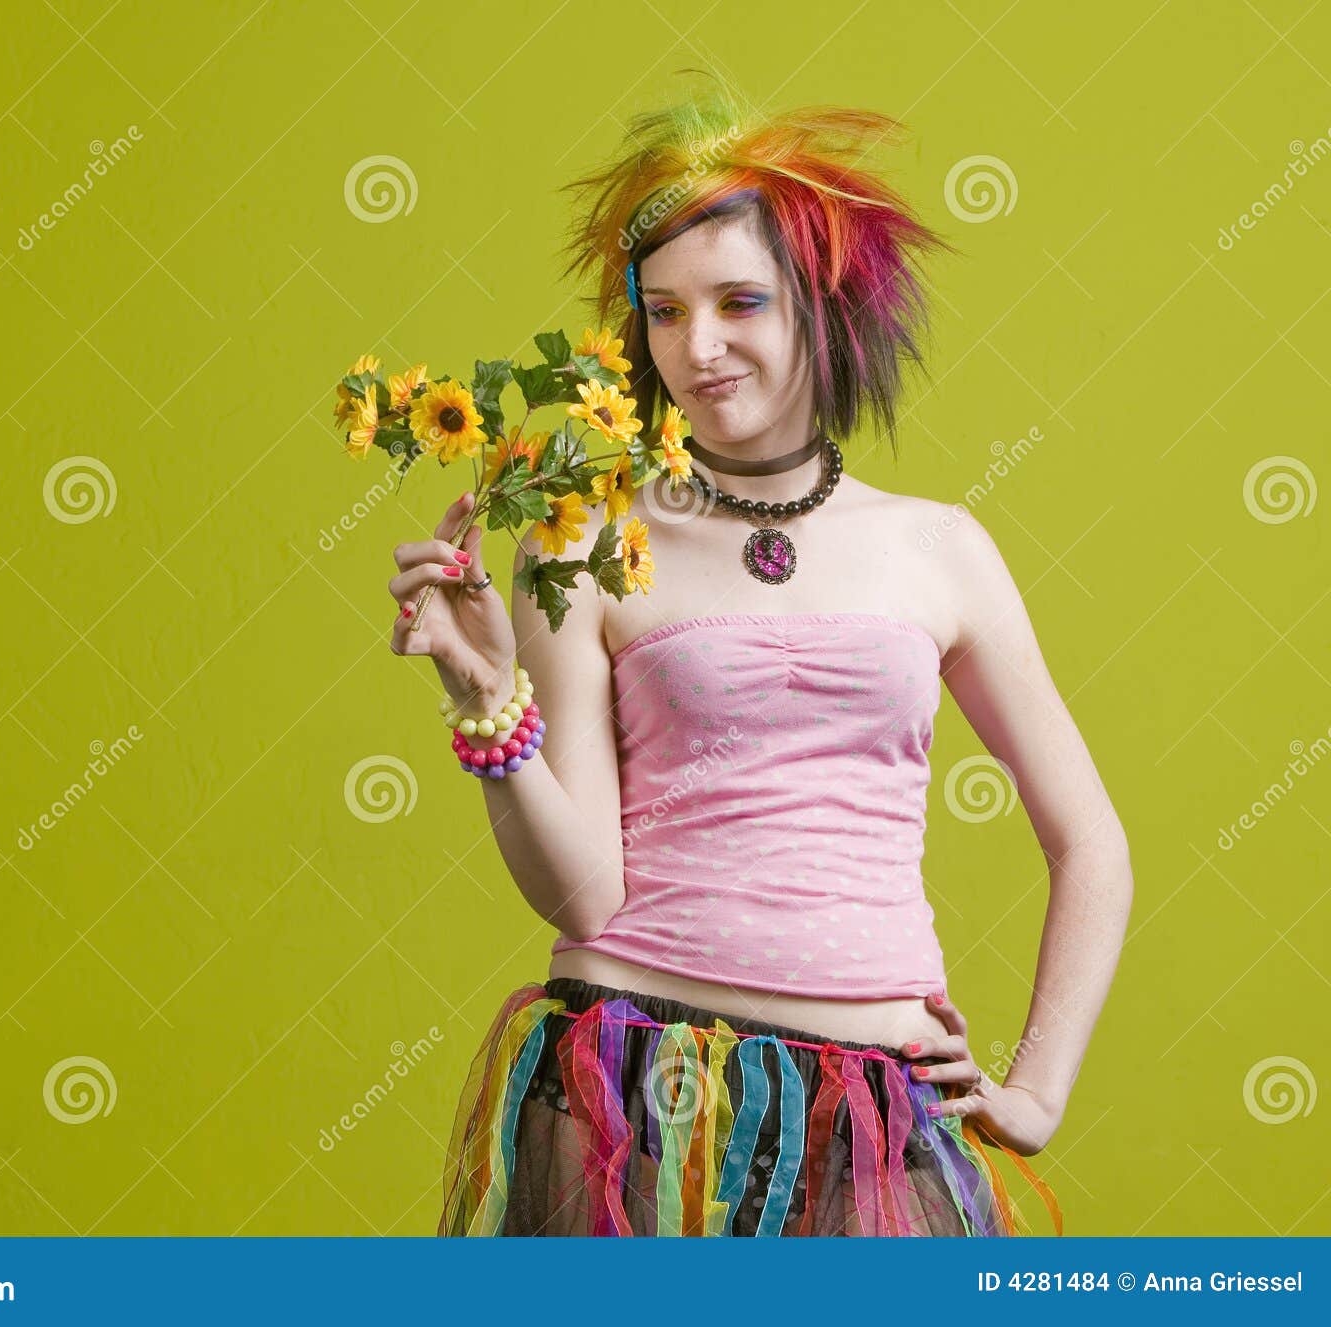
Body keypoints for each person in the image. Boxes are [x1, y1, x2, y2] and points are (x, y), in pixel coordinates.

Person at [387, 83, 1132, 1237]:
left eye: (740, 301)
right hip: (628, 1089)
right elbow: (581, 887)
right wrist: (488, 706)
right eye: (664, 310)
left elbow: (1088, 841)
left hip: (873, 1110)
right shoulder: (583, 537)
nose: (700, 345)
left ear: (824, 308)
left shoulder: (937, 547)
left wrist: (1034, 1087)